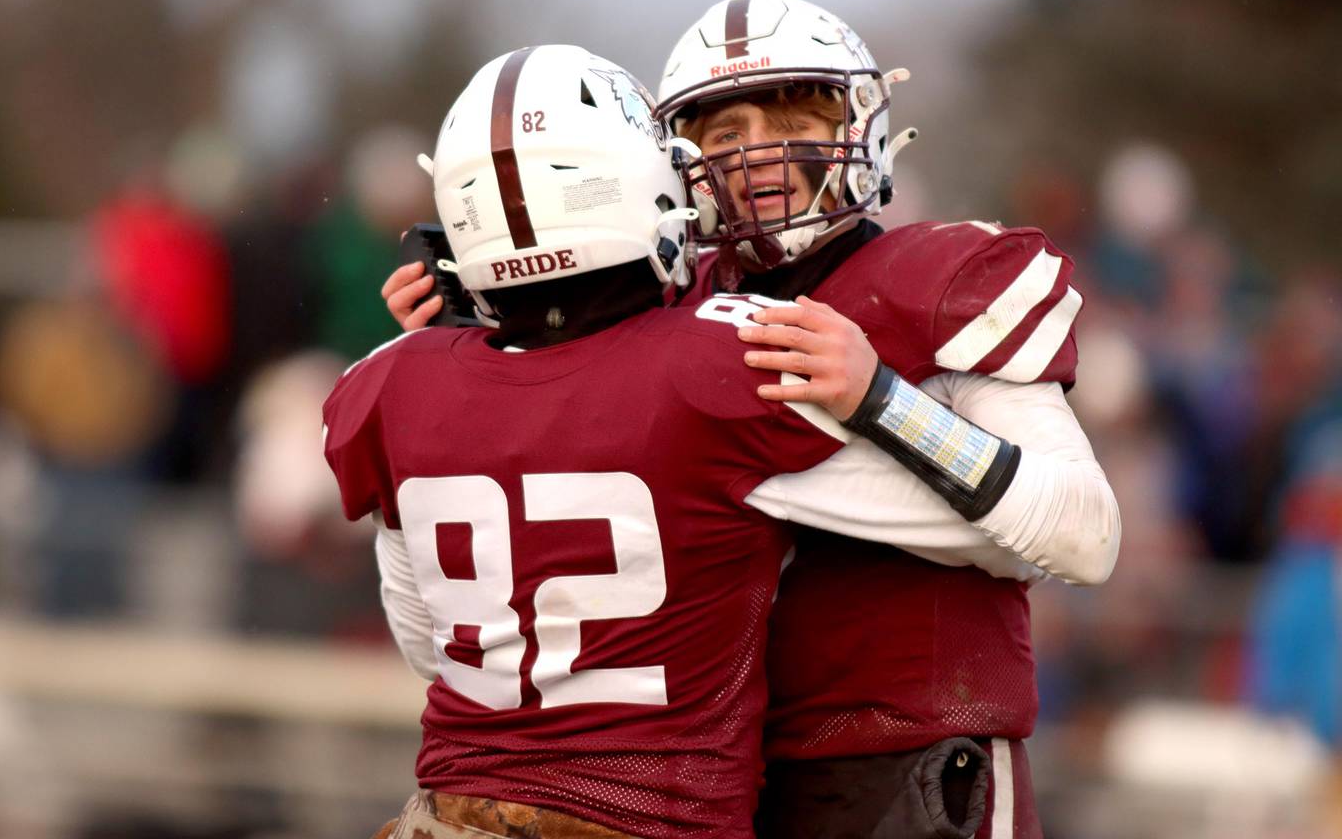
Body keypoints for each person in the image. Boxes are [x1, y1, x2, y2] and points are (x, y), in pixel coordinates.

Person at [324, 44, 1107, 839]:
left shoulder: (393, 378)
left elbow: (432, 646)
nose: (759, 155)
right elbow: (1030, 541)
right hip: (656, 817)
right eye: (725, 134)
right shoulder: (710, 357)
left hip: (450, 813)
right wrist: (882, 401)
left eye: (796, 121)